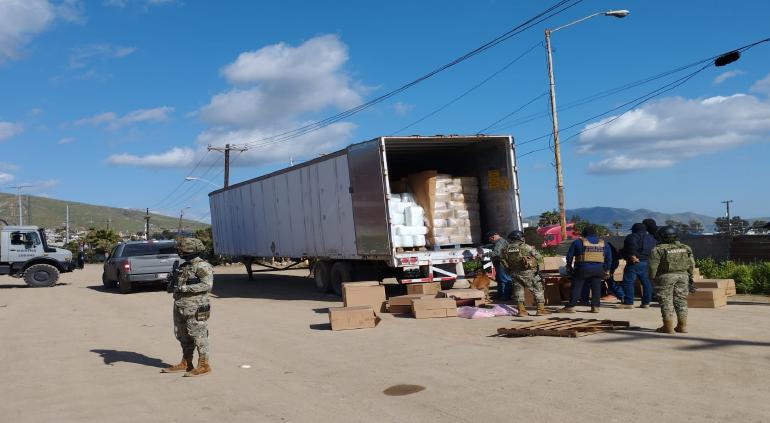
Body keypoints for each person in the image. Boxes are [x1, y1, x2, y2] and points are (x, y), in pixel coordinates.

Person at [162, 238, 215, 377]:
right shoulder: (184, 266)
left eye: (183, 249)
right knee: (183, 335)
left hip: (196, 306)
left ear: (192, 250)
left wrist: (184, 288)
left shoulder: (202, 266)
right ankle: (186, 363)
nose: (180, 252)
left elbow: (207, 285)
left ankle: (204, 365)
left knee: (199, 335)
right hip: (180, 306)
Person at [648, 226, 694, 334]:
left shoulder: (658, 249)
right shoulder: (686, 248)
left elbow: (652, 267)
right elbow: (691, 264)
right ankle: (682, 326)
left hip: (665, 277)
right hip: (683, 276)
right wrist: (690, 276)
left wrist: (652, 278)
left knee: (666, 301)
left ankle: (668, 327)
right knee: (681, 300)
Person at [558, 225, 612, 313]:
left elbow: (570, 255)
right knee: (596, 288)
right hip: (598, 269)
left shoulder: (578, 242)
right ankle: (595, 307)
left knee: (576, 287)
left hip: (582, 268)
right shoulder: (603, 243)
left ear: (584, 234)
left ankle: (571, 306)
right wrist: (606, 268)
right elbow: (609, 258)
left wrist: (568, 266)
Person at [503, 230, 549, 316]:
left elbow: (504, 261)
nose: (523, 238)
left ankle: (521, 311)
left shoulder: (506, 248)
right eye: (522, 237)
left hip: (514, 272)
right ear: (519, 238)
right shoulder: (526, 247)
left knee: (518, 291)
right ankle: (540, 310)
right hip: (528, 272)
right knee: (538, 289)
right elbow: (539, 258)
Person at [620, 223, 657, 309]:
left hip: (634, 262)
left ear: (634, 229)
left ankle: (628, 302)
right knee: (646, 282)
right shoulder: (651, 238)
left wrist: (632, 256)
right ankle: (646, 303)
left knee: (628, 282)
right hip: (647, 262)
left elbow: (630, 246)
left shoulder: (632, 237)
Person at [485, 231, 512, 301]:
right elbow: (493, 247)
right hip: (499, 263)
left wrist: (484, 255)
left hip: (502, 264)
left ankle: (506, 296)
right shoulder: (499, 242)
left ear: (492, 237)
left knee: (505, 280)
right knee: (499, 280)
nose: (490, 241)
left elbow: (497, 253)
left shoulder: (499, 242)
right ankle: (500, 294)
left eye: (490, 240)